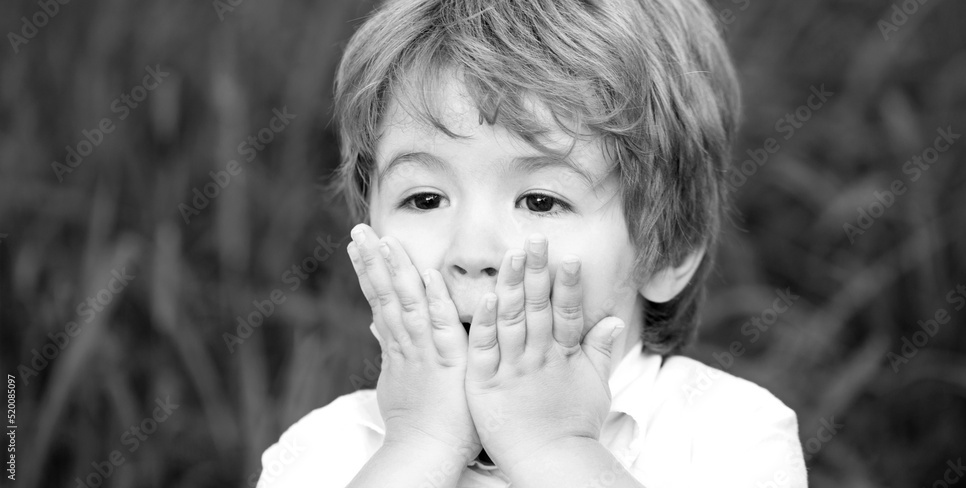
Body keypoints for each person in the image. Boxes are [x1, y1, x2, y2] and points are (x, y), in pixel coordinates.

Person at [258, 0, 807, 486]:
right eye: (425, 199)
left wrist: (551, 449)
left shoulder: (729, 433)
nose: (471, 254)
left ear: (669, 248)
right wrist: (420, 445)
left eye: (541, 201)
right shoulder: (324, 452)